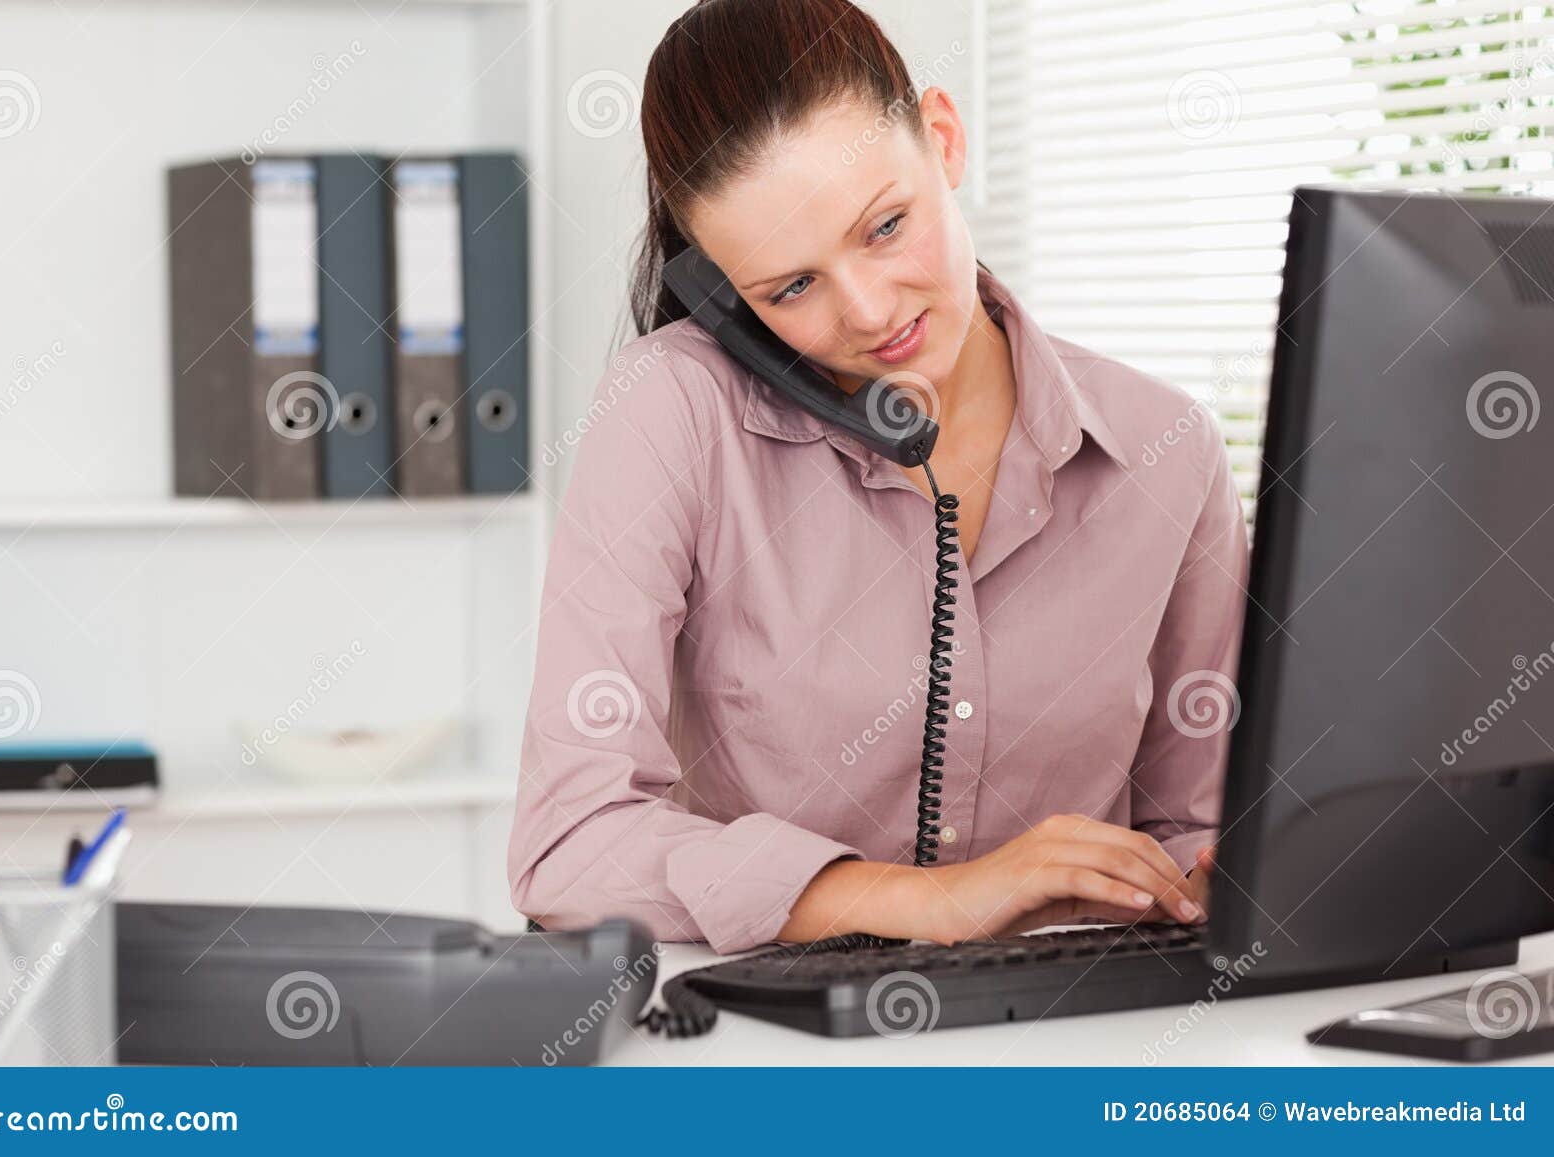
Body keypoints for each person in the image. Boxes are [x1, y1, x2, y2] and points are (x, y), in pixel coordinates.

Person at [508, 0, 1248, 956]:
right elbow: (569, 841)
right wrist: (914, 899)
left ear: (942, 139)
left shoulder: (1166, 448)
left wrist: (1232, 871)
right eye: (790, 288)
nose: (867, 311)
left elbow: (1195, 820)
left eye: (886, 226)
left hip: (1074, 1038)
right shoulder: (671, 411)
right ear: (728, 296)